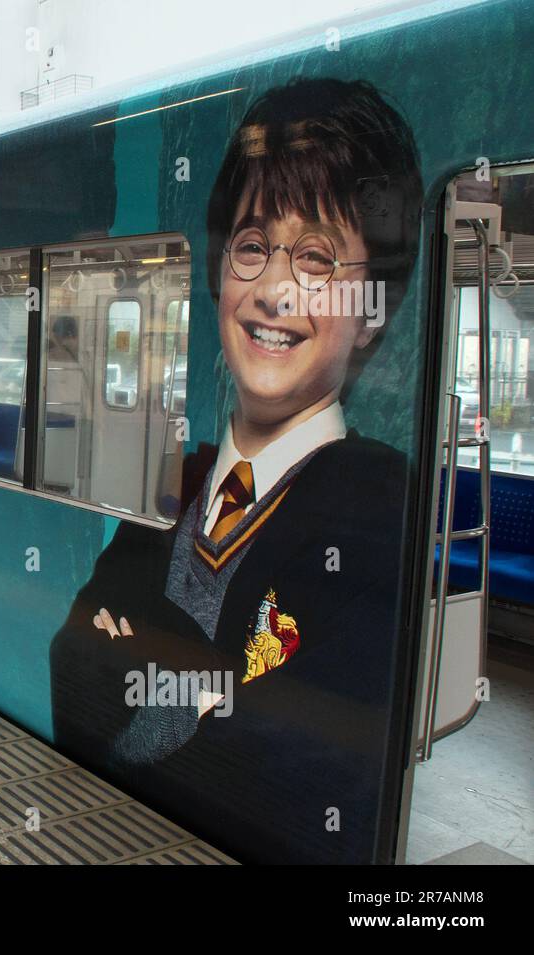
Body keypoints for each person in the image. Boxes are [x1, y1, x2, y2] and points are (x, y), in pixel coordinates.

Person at [49, 78, 424, 864]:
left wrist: (148, 659)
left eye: (318, 257)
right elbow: (69, 663)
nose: (275, 290)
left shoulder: (380, 506)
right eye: (253, 246)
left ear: (373, 309)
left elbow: (297, 765)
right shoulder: (184, 481)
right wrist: (211, 685)